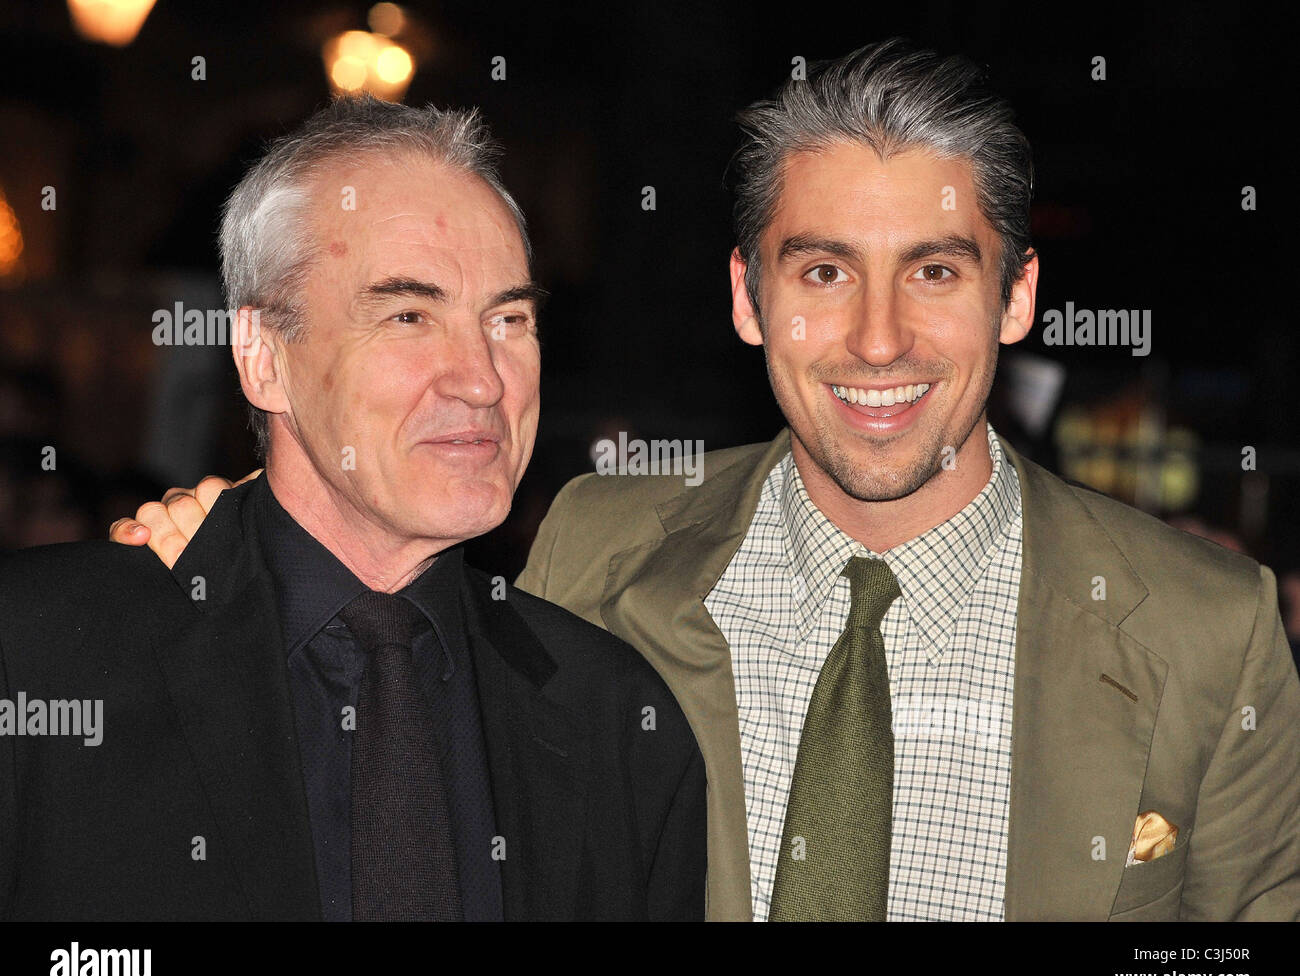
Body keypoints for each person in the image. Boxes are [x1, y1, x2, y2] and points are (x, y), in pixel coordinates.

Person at [114, 41, 1300, 922]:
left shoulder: (1205, 631)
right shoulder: (591, 552)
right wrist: (234, 545)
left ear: (1017, 295)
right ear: (747, 297)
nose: (878, 340)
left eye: (935, 272)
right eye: (823, 271)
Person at [2, 95, 706, 921]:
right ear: (263, 359)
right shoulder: (39, 660)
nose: (483, 378)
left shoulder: (619, 719)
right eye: (409, 316)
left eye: (509, 319)